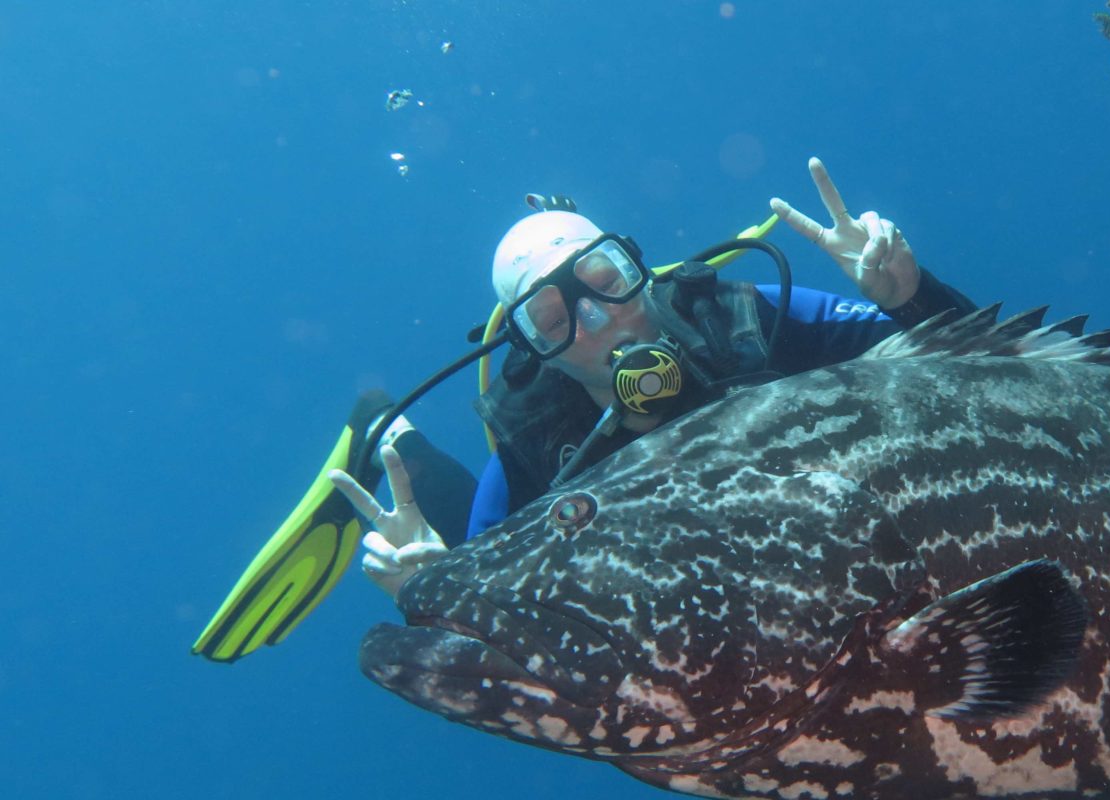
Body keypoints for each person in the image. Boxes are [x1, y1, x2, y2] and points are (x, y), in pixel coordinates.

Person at [330, 158, 977, 598]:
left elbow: (982, 376)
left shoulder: (744, 319)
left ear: (638, 269)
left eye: (605, 282)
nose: (596, 318)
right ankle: (387, 436)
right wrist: (429, 583)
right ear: (533, 351)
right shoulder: (538, 449)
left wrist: (910, 294)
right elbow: (493, 604)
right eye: (552, 317)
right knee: (438, 516)